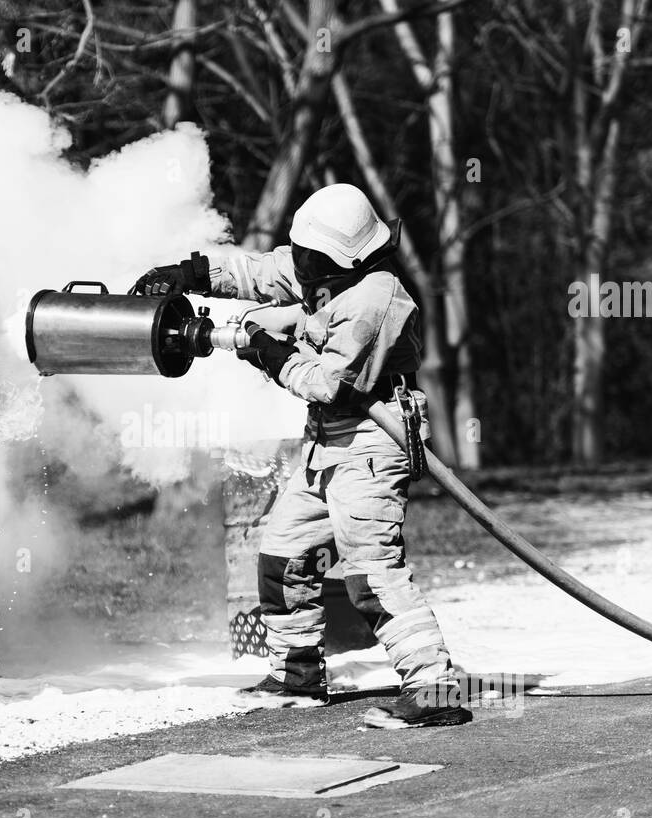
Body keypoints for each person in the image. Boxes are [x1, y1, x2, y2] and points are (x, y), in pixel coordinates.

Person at [131, 183, 471, 729]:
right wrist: (192, 274)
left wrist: (270, 353)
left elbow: (327, 384)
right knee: (284, 552)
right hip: (330, 442)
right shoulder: (325, 270)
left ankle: (433, 687)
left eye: (311, 256)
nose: (302, 265)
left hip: (370, 442)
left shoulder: (374, 300)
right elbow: (261, 273)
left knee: (372, 571)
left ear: (343, 255)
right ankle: (298, 675)